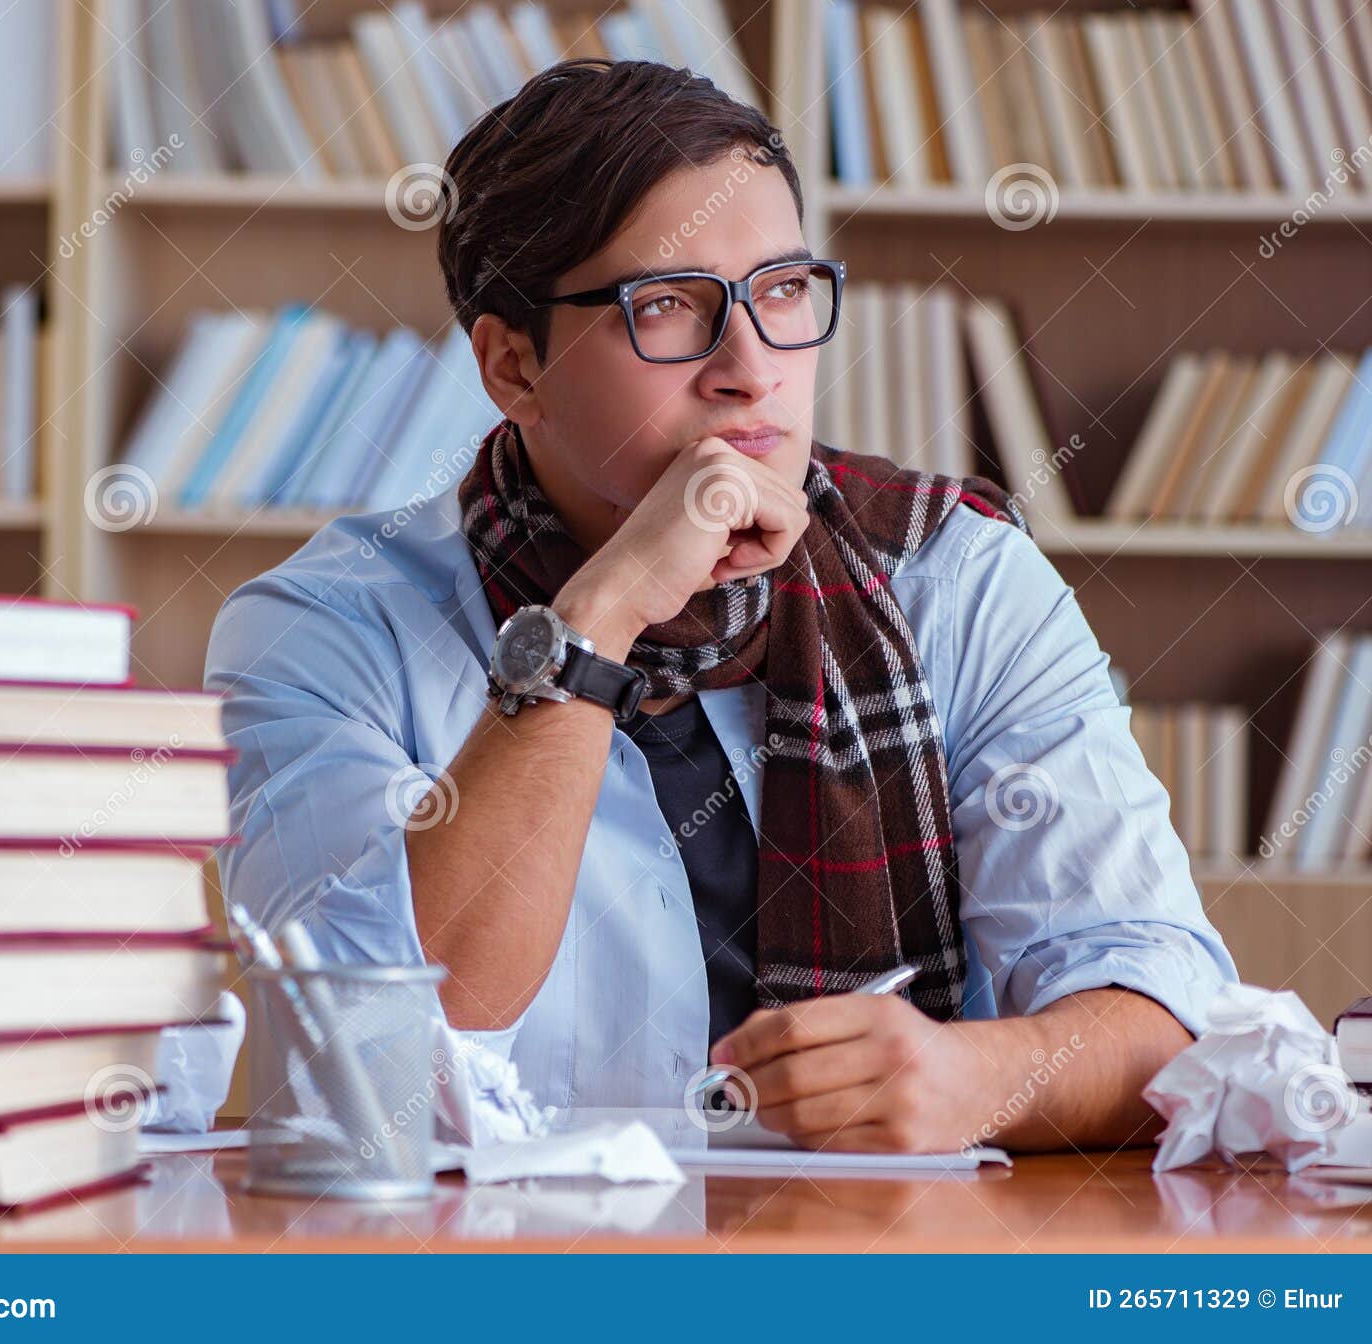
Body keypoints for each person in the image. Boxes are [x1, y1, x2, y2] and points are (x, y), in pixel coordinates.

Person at [204, 59, 1237, 1153]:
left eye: (783, 290)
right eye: (666, 307)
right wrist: (596, 619)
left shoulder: (959, 579)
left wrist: (982, 1076)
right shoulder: (322, 629)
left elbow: (1162, 1011)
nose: (750, 367)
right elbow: (370, 1057)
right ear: (513, 369)